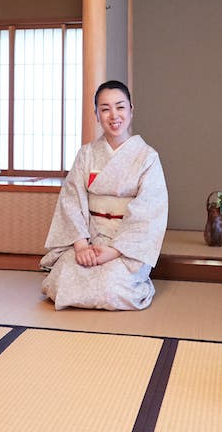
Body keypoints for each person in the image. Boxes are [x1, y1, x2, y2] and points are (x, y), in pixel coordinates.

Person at [40, 80, 168, 310]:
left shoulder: (147, 157)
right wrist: (81, 246)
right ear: (97, 114)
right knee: (62, 281)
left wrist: (114, 250)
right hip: (90, 237)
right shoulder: (87, 154)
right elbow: (71, 201)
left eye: (120, 107)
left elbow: (149, 212)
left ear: (131, 110)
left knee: (111, 288)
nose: (113, 115)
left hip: (126, 244)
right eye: (105, 109)